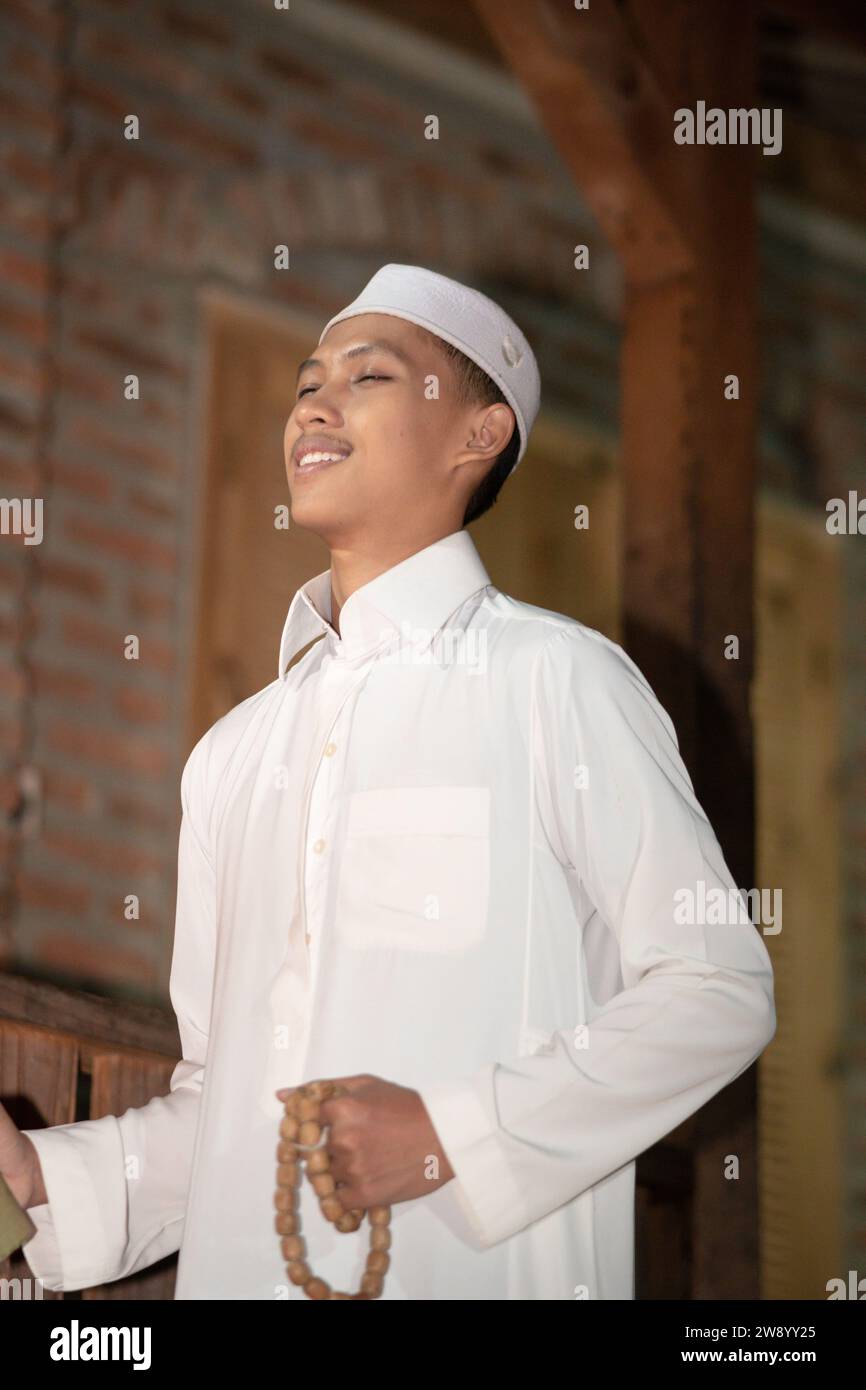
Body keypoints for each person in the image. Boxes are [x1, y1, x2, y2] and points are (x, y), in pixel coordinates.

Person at [1, 263, 775, 1300]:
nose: (312, 403)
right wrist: (48, 1175)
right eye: (306, 380)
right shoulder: (231, 756)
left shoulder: (556, 680)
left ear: (477, 435)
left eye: (367, 376)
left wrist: (450, 1136)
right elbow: (224, 1105)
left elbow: (715, 991)